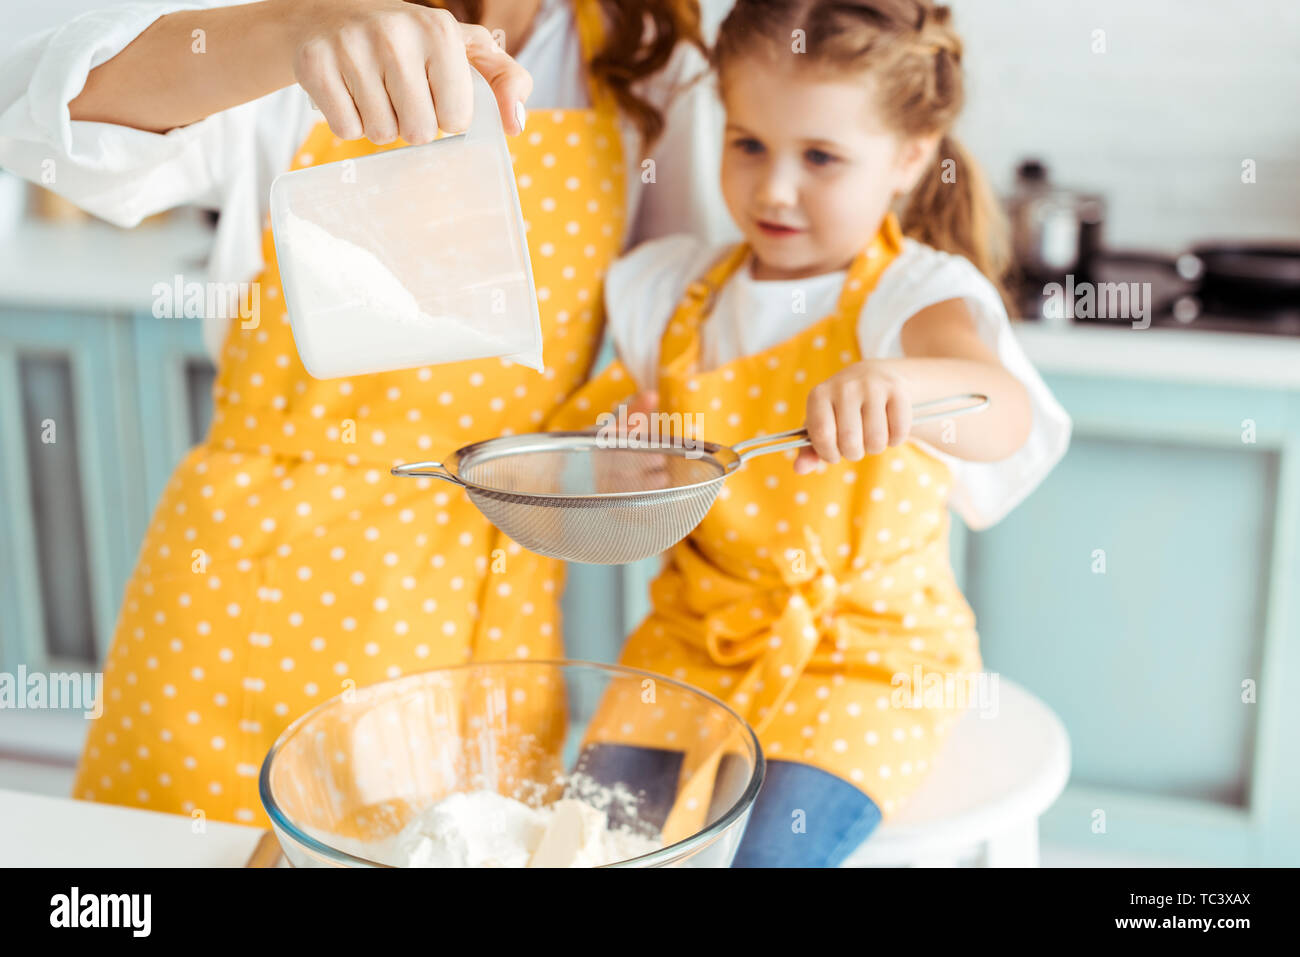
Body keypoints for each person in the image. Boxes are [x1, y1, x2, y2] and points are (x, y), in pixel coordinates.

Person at [0, 0, 738, 827]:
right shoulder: (300, 22)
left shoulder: (651, 53)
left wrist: (626, 437)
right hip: (257, 589)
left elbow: (681, 320)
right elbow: (35, 109)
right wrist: (291, 35)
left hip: (496, 583)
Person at [550, 0, 1072, 866]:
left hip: (866, 658)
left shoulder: (911, 298)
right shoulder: (670, 294)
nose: (773, 188)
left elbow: (1002, 409)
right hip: (691, 642)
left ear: (910, 158)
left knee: (767, 855)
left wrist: (904, 380)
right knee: (591, 841)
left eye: (821, 157)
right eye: (747, 142)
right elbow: (588, 486)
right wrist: (619, 473)